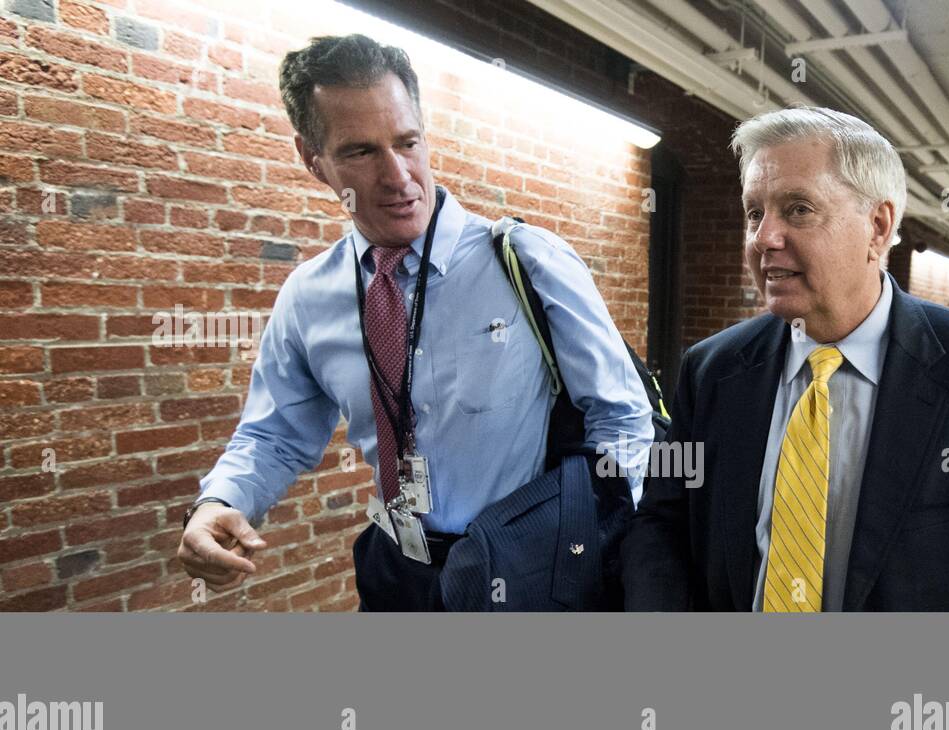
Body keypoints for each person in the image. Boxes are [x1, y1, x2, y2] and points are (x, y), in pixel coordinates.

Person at [176, 34, 653, 609]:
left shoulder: (528, 261)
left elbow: (622, 418)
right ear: (312, 159)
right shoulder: (308, 297)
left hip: (528, 572)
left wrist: (593, 545)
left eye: (408, 142)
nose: (399, 176)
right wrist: (220, 502)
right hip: (396, 571)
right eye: (360, 152)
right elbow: (273, 434)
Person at [621, 107, 949, 612]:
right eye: (755, 212)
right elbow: (662, 526)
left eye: (798, 209)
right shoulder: (712, 369)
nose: (763, 238)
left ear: (877, 225)